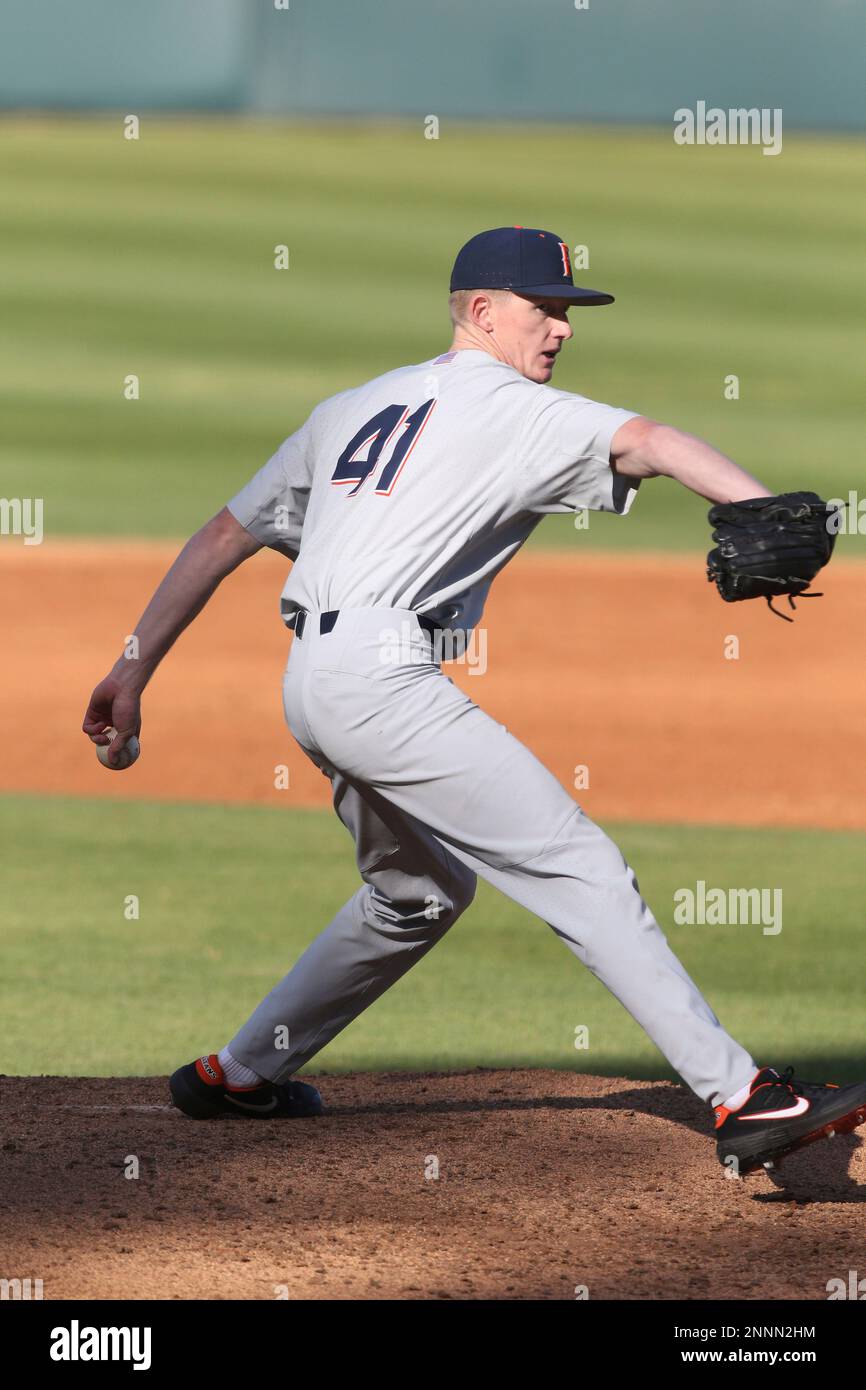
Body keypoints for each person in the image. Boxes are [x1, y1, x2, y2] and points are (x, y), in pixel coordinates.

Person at [83, 227, 866, 1175]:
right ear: (482, 312)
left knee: (415, 894)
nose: (563, 330)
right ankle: (742, 1099)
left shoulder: (352, 407)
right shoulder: (513, 409)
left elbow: (222, 535)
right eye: (546, 309)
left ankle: (240, 1072)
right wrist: (764, 502)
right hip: (384, 681)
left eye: (568, 313)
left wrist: (131, 669)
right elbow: (652, 442)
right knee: (576, 863)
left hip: (315, 685)